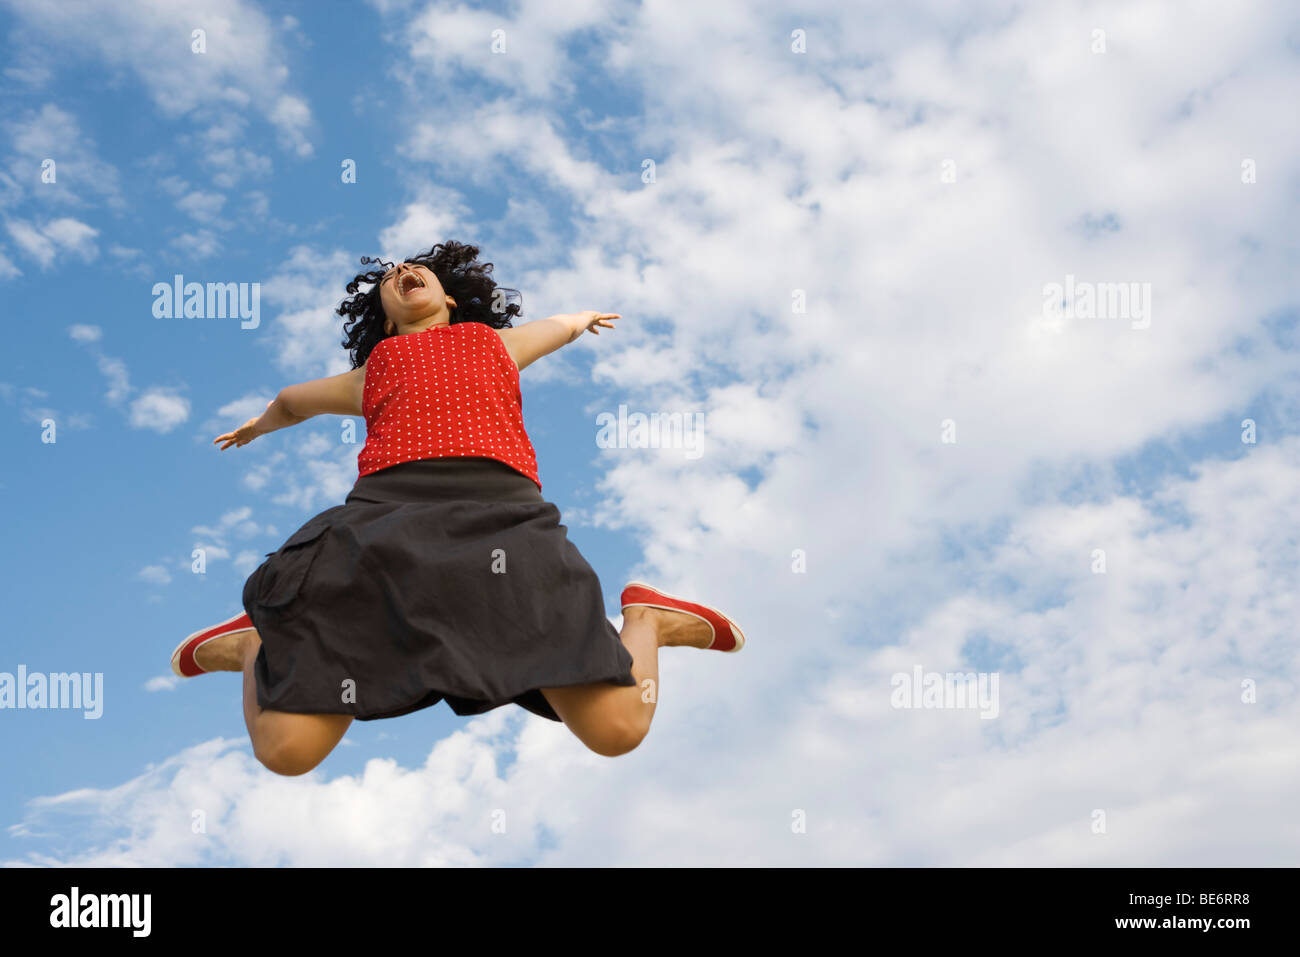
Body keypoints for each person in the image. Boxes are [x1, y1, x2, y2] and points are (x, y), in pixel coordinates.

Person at [169, 240, 745, 776]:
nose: (399, 273)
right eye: (389, 280)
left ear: (448, 296)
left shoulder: (493, 343)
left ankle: (645, 618)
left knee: (618, 732)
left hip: (506, 524)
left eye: (411, 270)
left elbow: (560, 328)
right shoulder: (376, 370)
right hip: (382, 531)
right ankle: (254, 644)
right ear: (387, 318)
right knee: (284, 754)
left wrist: (582, 318)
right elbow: (293, 402)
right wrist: (259, 427)